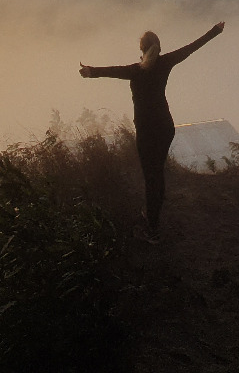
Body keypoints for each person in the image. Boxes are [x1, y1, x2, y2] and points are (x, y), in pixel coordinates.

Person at [79, 22, 225, 243]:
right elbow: (191, 47)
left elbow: (112, 71)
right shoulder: (165, 63)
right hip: (165, 127)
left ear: (141, 49)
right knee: (158, 172)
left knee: (151, 177)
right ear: (158, 47)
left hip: (147, 130)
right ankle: (153, 218)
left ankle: (153, 228)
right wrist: (214, 32)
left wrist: (91, 72)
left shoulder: (135, 71)